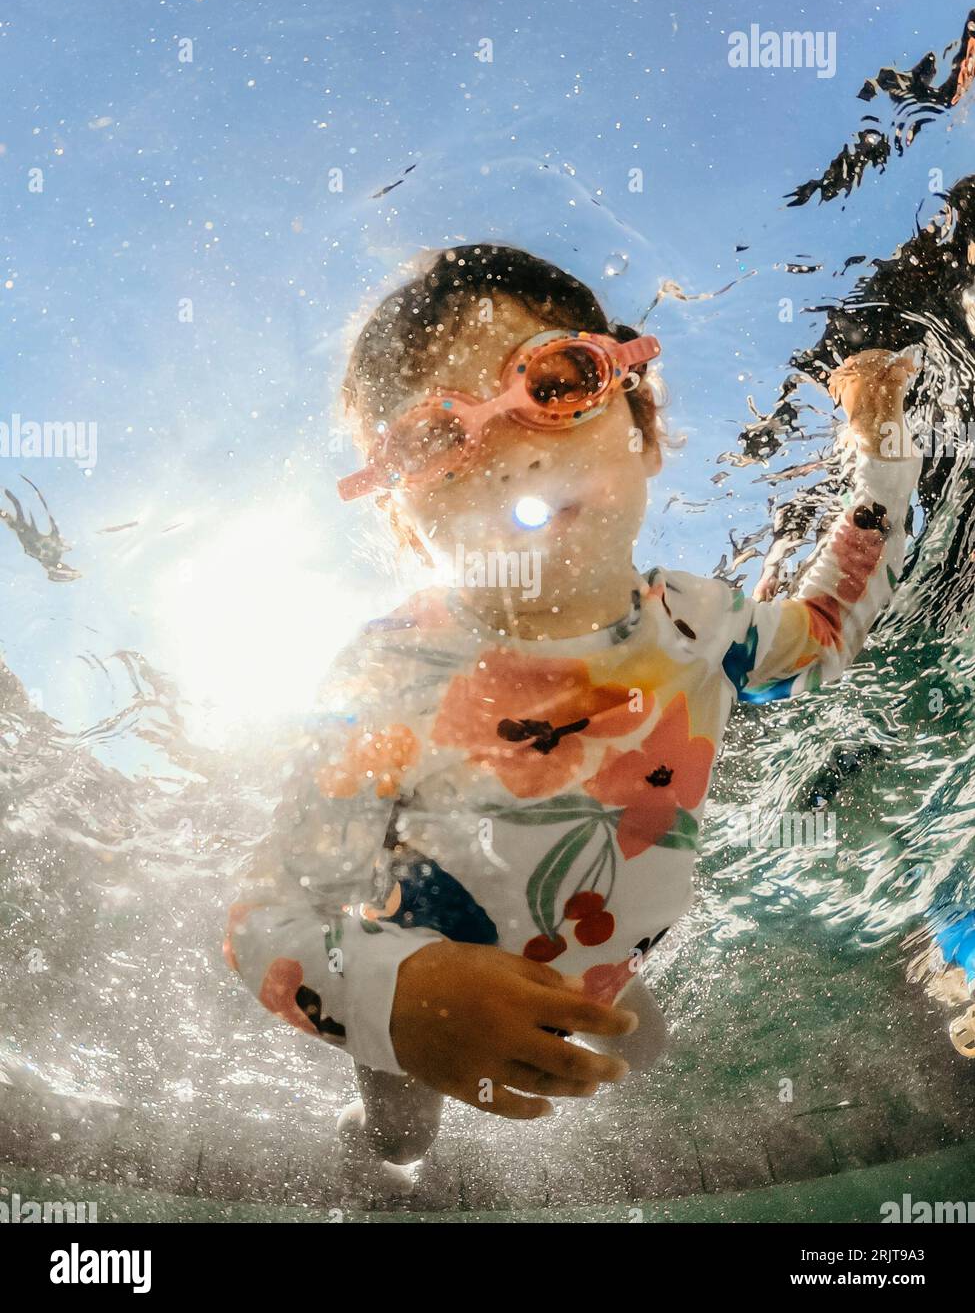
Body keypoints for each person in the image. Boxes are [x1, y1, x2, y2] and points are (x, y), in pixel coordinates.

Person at [224, 244, 922, 1186]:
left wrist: (879, 458)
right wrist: (400, 998)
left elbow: (830, 627)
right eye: (432, 439)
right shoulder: (394, 670)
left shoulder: (700, 623)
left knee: (638, 1049)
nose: (510, 444)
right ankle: (380, 1154)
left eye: (556, 381)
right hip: (421, 983)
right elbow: (265, 917)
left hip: (605, 974)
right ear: (402, 524)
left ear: (643, 428)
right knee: (403, 1136)